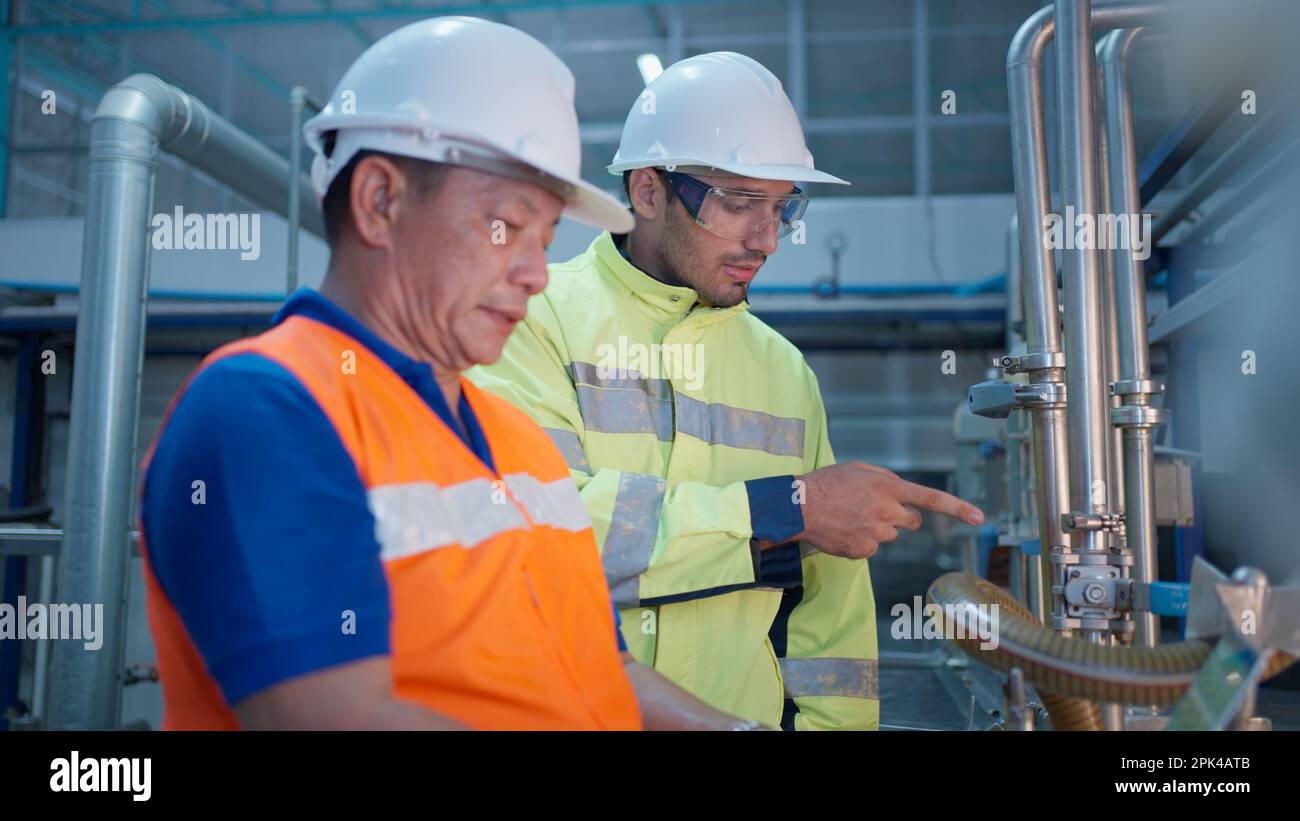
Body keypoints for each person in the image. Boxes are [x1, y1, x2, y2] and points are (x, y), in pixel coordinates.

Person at [140, 17, 762, 731]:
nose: (535, 273)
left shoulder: (518, 441)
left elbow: (603, 671)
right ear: (381, 200)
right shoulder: (265, 407)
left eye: (547, 238)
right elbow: (333, 715)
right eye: (505, 226)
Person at [472, 52, 985, 730]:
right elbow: (541, 534)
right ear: (649, 192)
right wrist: (783, 509)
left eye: (782, 207)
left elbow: (831, 621)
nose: (768, 239)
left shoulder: (783, 370)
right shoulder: (533, 317)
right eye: (739, 204)